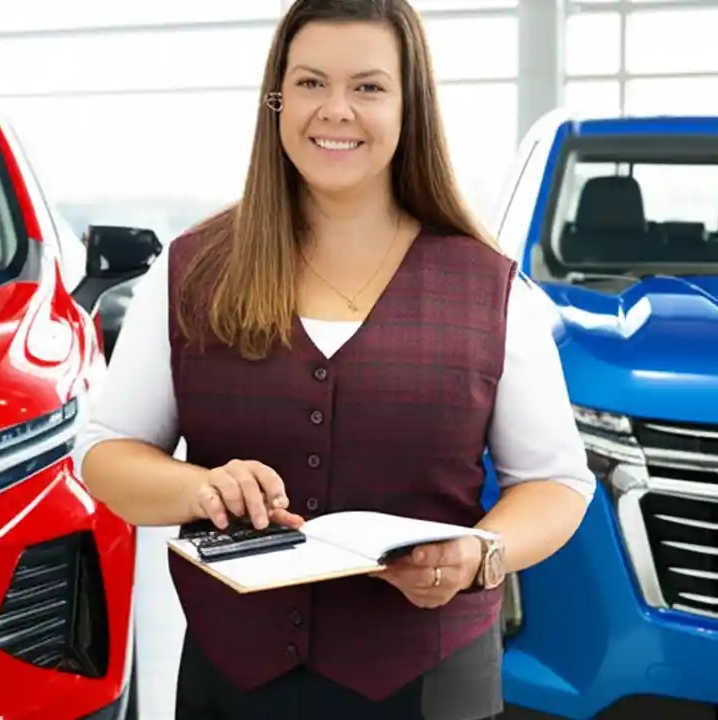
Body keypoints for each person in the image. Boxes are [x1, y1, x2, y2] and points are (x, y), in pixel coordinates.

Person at [73, 1, 595, 718]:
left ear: (410, 107)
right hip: (232, 680)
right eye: (311, 83)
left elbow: (556, 482)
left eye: (369, 87)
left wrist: (482, 554)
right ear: (278, 100)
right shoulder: (190, 272)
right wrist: (200, 489)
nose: (336, 110)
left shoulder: (494, 289)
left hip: (431, 684)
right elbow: (105, 453)